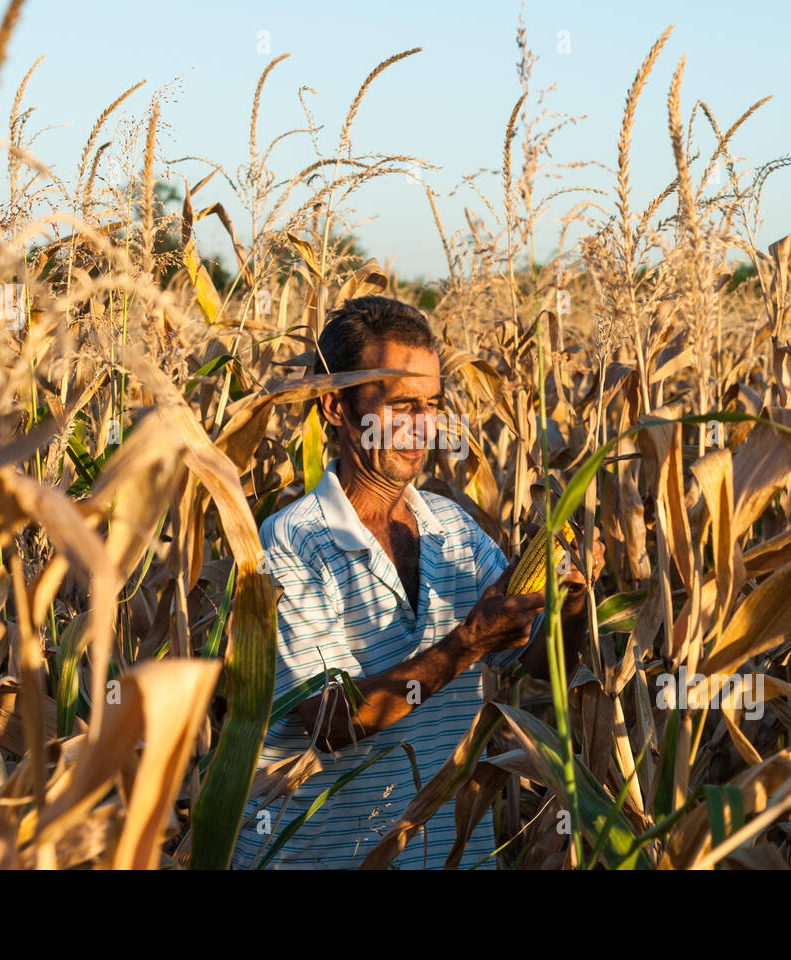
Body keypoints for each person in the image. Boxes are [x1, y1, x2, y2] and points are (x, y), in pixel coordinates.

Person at [230, 295, 599, 869]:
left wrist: (572, 600)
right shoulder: (290, 543)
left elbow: (538, 671)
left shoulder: (453, 529)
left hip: (441, 854)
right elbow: (331, 720)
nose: (421, 427)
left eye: (432, 405)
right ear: (335, 407)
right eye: (401, 406)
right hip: (323, 857)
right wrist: (467, 642)